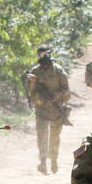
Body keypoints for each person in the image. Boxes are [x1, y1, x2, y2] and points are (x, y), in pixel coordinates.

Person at [24, 44, 71, 175]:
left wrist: (58, 96)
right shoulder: (35, 72)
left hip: (57, 110)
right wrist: (32, 83)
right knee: (42, 135)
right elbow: (30, 93)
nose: (44, 63)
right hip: (42, 109)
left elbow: (67, 91)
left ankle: (54, 160)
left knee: (55, 137)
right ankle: (43, 161)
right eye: (41, 55)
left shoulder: (58, 71)